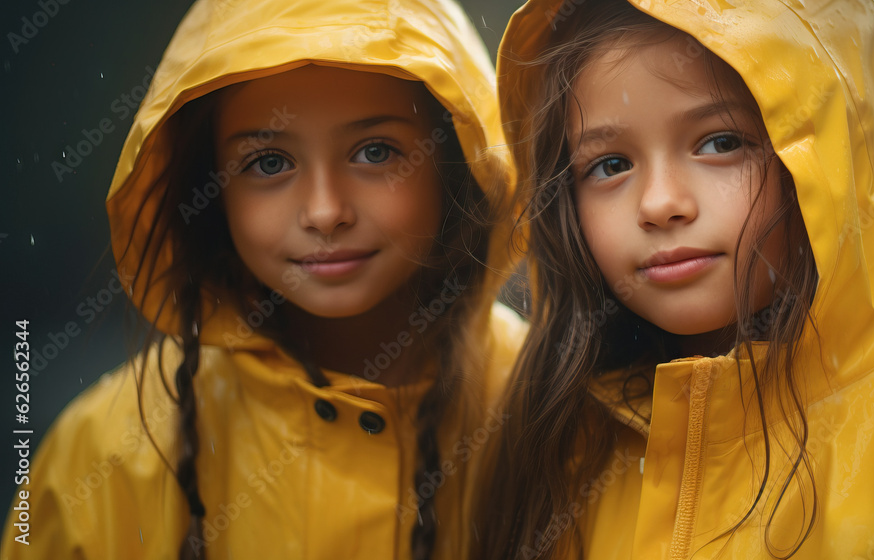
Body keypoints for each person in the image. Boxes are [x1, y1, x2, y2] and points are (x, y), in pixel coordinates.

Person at [1, 0, 523, 558]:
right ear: (210, 190)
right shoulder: (101, 457)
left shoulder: (549, 409)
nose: (325, 212)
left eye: (375, 152)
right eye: (269, 163)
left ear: (462, 163)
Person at [480, 0, 874, 558]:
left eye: (720, 143)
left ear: (833, 155)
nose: (659, 204)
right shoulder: (557, 438)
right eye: (610, 165)